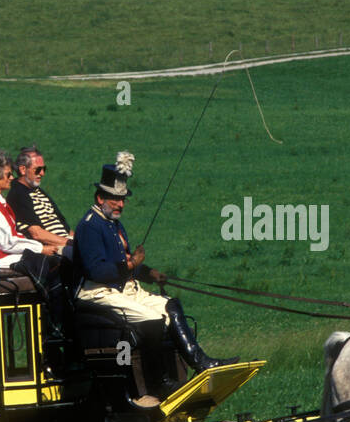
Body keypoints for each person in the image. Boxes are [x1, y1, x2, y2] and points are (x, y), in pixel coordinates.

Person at [73, 150, 236, 372]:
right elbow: (98, 271)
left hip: (123, 289)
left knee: (171, 305)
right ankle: (158, 379)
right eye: (115, 199)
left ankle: (200, 362)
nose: (121, 204)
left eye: (123, 199)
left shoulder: (113, 224)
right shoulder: (90, 226)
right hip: (99, 293)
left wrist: (149, 273)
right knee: (153, 318)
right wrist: (132, 265)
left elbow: (123, 264)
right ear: (100, 198)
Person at [0, 146, 61, 276]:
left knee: (53, 260)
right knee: (52, 262)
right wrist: (40, 248)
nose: (12, 178)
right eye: (8, 174)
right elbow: (7, 243)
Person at [7, 145, 72, 257]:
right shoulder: (18, 194)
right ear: (23, 170)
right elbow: (37, 234)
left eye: (44, 169)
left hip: (65, 242)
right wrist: (72, 243)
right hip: (52, 249)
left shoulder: (38, 192)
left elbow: (66, 228)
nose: (42, 173)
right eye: (38, 169)